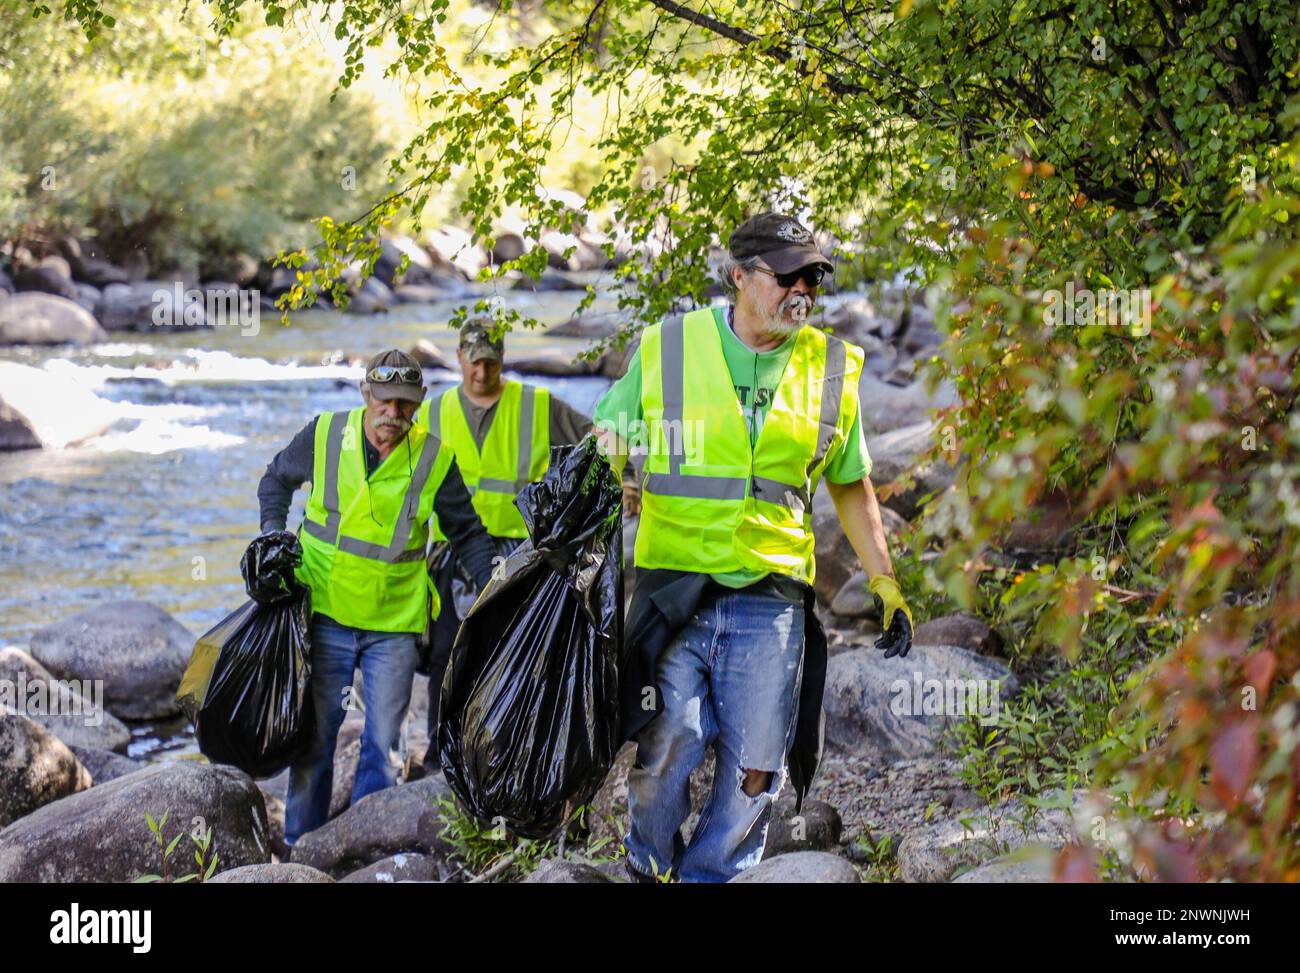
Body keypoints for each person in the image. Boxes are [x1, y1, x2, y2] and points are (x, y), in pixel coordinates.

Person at [594, 212, 915, 883]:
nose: (801, 290)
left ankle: (710, 876)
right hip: (672, 591)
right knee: (667, 743)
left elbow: (852, 490)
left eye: (812, 278)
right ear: (738, 276)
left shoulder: (833, 365)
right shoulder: (667, 347)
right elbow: (607, 444)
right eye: (786, 275)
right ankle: (646, 863)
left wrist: (884, 583)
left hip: (771, 601)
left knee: (755, 772)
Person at [256, 349, 496, 848]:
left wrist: (498, 587)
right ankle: (302, 849)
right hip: (324, 615)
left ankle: (366, 853)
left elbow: (468, 533)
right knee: (316, 742)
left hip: (395, 625)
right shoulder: (324, 435)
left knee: (383, 746)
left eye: (405, 406)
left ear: (420, 403)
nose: (394, 414)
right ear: (367, 395)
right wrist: (271, 535)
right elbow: (275, 480)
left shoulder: (434, 459)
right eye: (385, 401)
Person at [413, 319, 641, 772]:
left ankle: (506, 746)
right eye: (474, 362)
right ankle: (442, 754)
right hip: (452, 552)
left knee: (513, 650)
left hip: (520, 555)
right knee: (446, 652)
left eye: (490, 362)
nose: (482, 371)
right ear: (458, 358)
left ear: (502, 358)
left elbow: (599, 437)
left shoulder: (536, 405)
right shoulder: (432, 413)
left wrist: (628, 478)